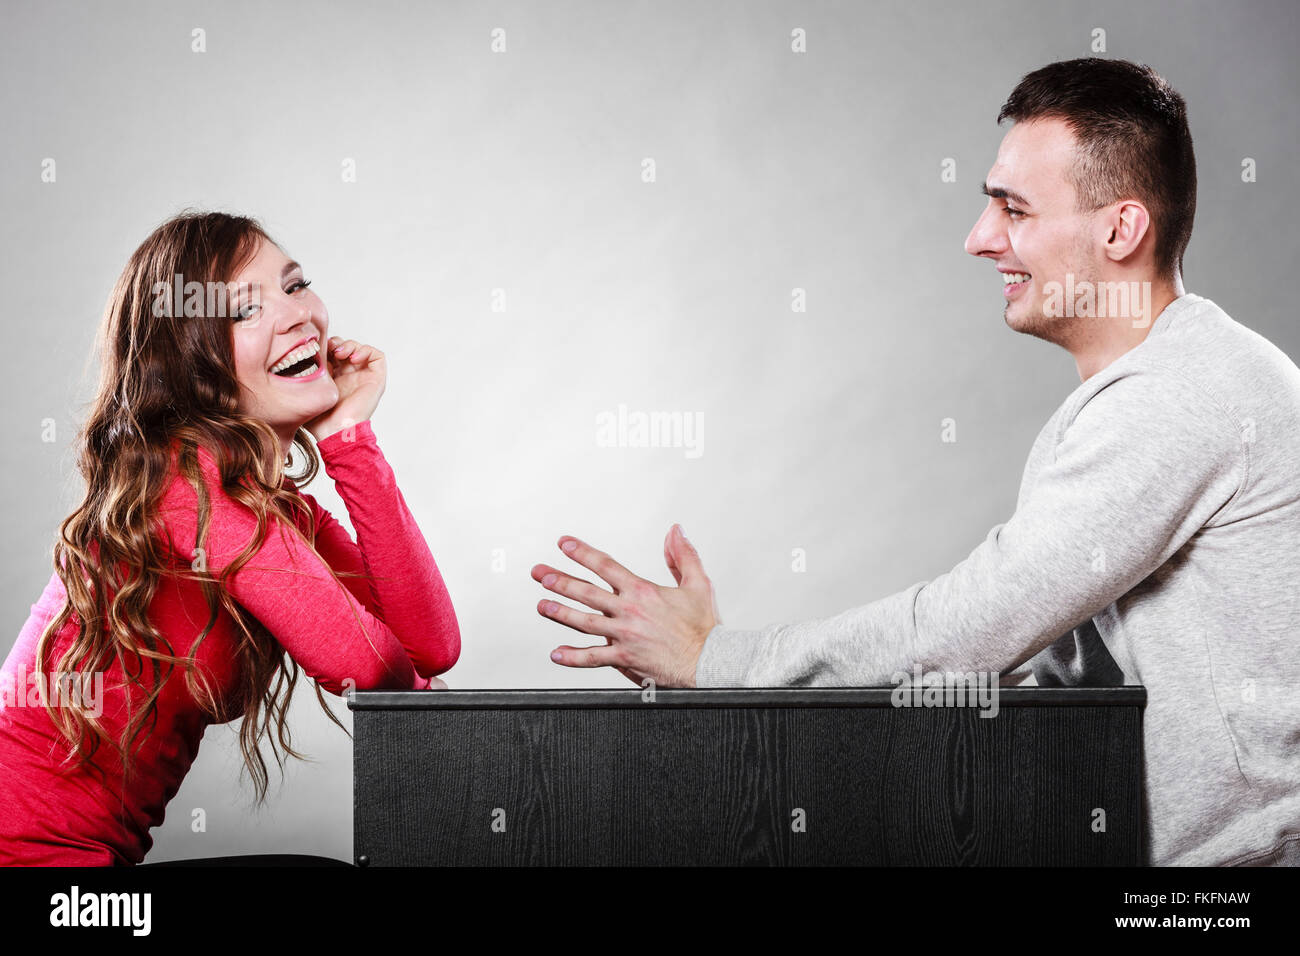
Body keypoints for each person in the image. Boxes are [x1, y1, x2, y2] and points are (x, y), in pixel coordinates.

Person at [530, 58, 1300, 867]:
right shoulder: (1160, 387)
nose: (980, 239)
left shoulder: (1180, 395)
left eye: (1014, 209)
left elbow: (976, 624)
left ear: (1118, 230)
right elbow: (1039, 680)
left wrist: (717, 659)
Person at [0, 211, 459, 865]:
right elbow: (371, 669)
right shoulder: (179, 490)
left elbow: (432, 645)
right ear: (191, 367)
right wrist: (408, 684)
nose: (298, 315)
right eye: (246, 310)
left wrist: (349, 440)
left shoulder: (275, 512)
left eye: (296, 286)